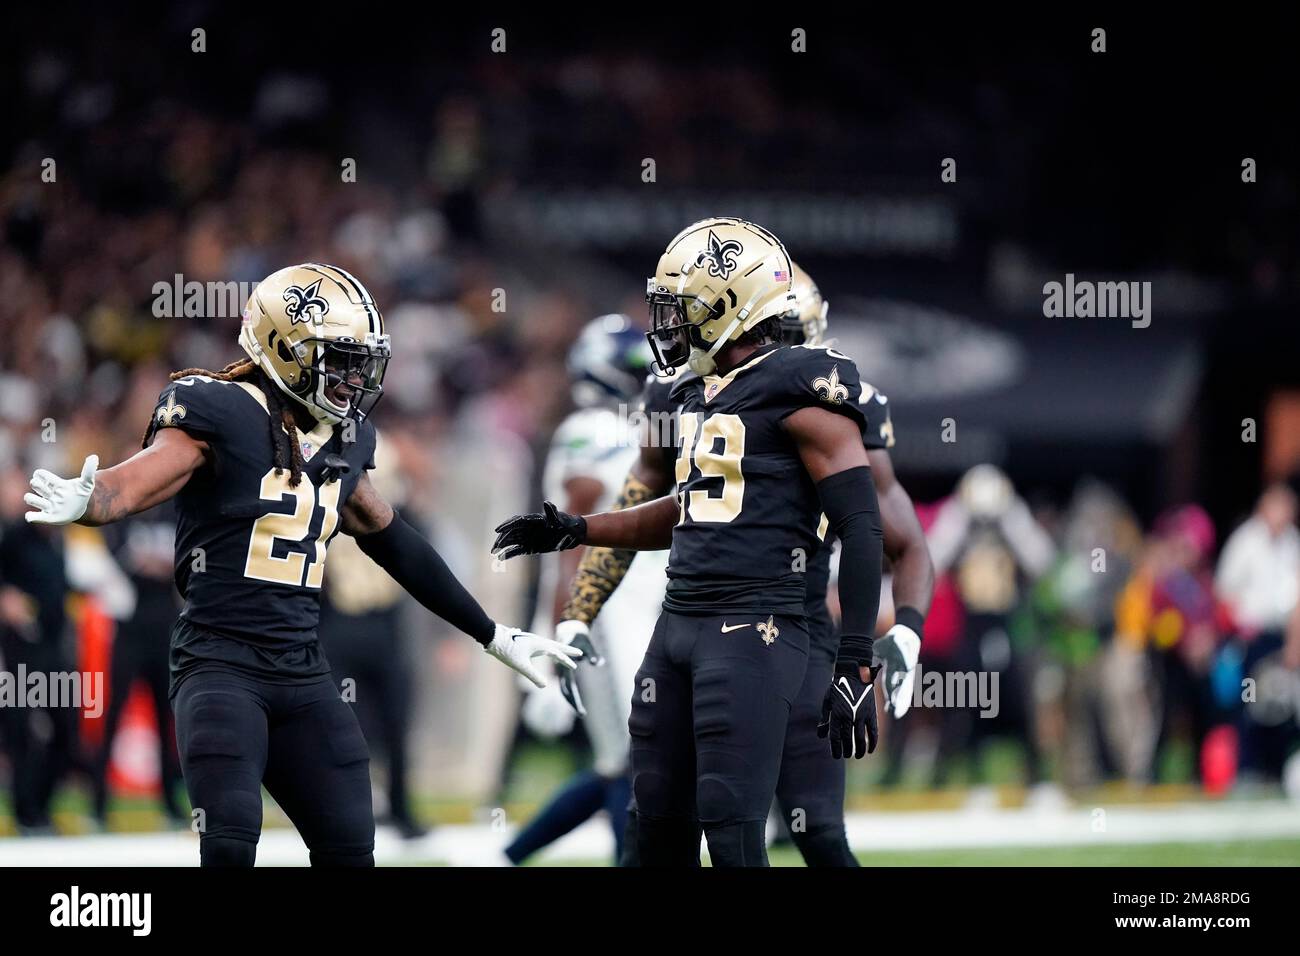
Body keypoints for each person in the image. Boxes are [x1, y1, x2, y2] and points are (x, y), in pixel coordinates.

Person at [23, 262, 580, 866]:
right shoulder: (217, 408)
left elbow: (393, 540)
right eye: (337, 358)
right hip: (220, 666)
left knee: (349, 850)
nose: (352, 377)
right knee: (231, 846)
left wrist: (491, 633)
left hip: (304, 672)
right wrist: (93, 498)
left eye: (359, 359)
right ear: (283, 350)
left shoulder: (347, 438)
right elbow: (139, 481)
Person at [493, 218, 895, 866]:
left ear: (735, 310)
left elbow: (864, 527)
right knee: (651, 826)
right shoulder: (677, 391)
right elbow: (670, 508)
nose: (668, 323)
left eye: (684, 309)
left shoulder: (806, 386)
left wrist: (855, 663)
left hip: (759, 627)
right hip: (678, 624)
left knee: (735, 832)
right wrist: (579, 549)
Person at [504, 314, 661, 865]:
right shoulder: (593, 429)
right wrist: (557, 644)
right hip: (609, 611)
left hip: (638, 603)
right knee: (639, 759)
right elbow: (572, 544)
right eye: (638, 366)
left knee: (623, 762)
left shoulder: (637, 426)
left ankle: (508, 854)